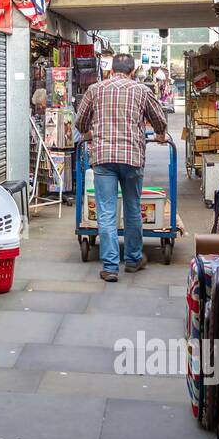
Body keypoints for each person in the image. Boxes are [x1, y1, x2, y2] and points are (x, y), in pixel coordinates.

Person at [74, 52, 168, 282]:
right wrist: (160, 134)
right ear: (133, 71)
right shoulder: (142, 90)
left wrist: (88, 132)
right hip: (132, 156)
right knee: (133, 207)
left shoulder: (95, 89)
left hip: (103, 157)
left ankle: (109, 266)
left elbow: (80, 122)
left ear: (110, 70)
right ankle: (134, 259)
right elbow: (159, 119)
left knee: (106, 211)